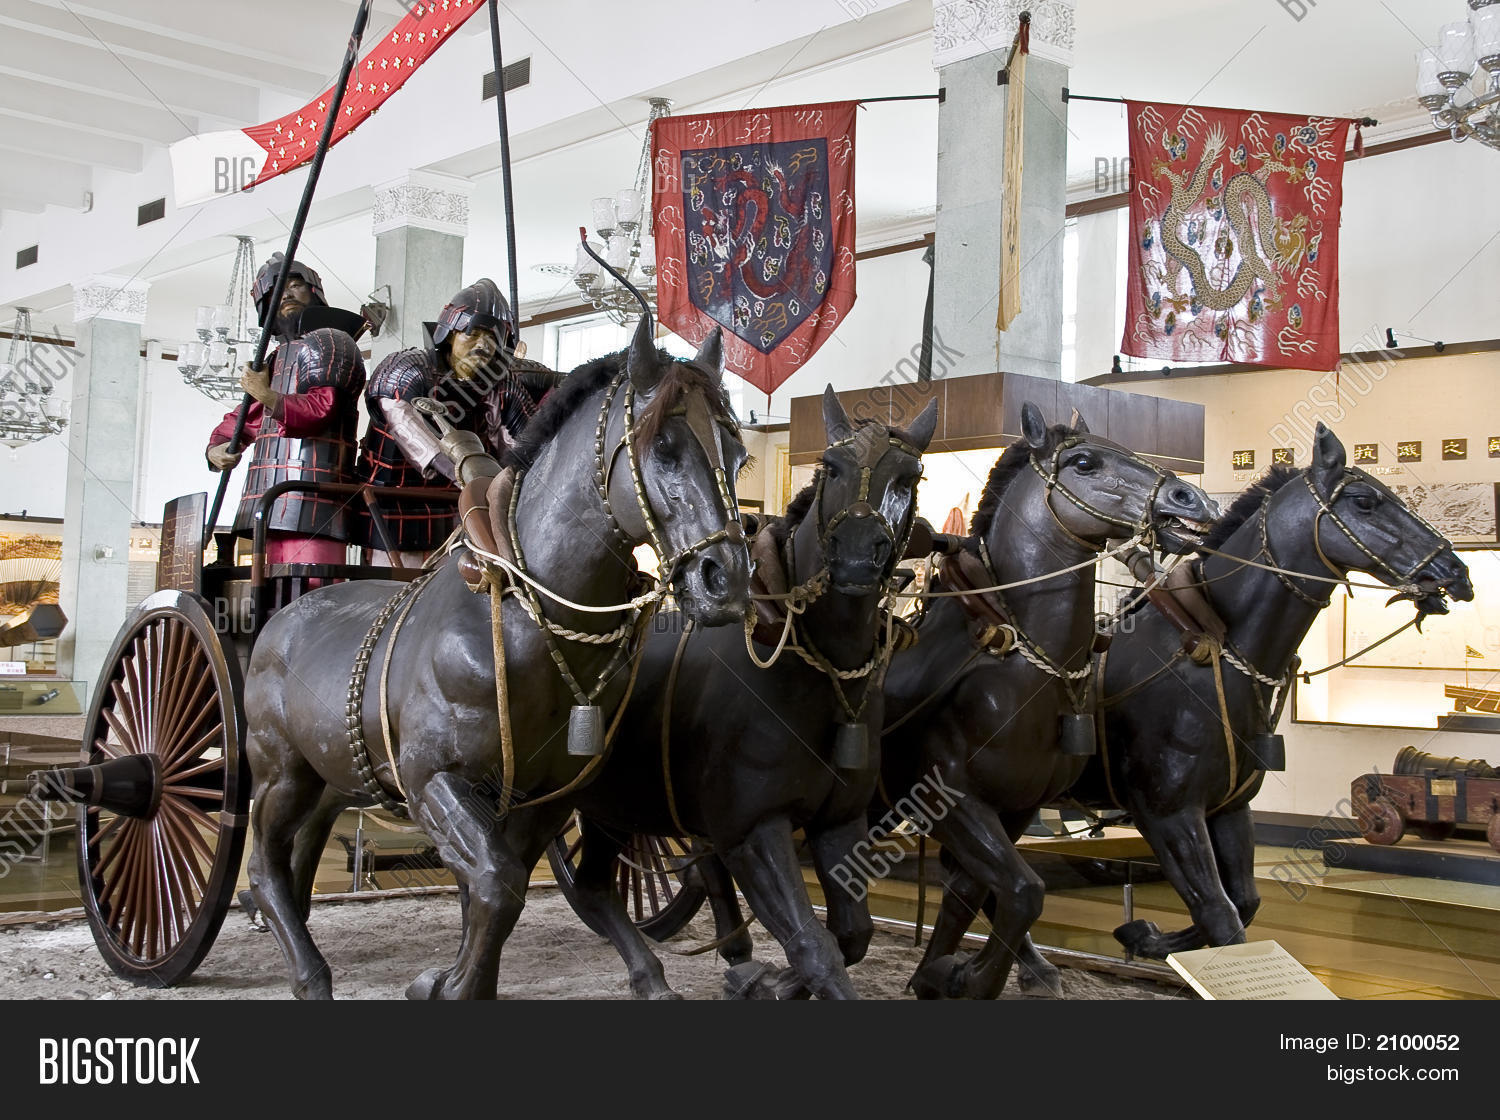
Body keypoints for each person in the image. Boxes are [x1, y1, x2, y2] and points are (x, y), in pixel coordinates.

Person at [357, 277, 563, 565]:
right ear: (449, 333)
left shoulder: (502, 385)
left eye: (493, 337)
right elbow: (413, 434)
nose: (483, 344)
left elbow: (527, 449)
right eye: (473, 333)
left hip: (462, 516)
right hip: (393, 511)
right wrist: (472, 476)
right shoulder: (406, 369)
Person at [205, 254, 367, 579]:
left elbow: (322, 410)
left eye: (295, 286)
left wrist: (265, 393)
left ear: (314, 292)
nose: (287, 295)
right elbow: (243, 420)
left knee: (316, 598)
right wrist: (217, 448)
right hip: (269, 496)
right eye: (277, 292)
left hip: (316, 495)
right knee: (271, 597)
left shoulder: (332, 344)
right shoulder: (277, 358)